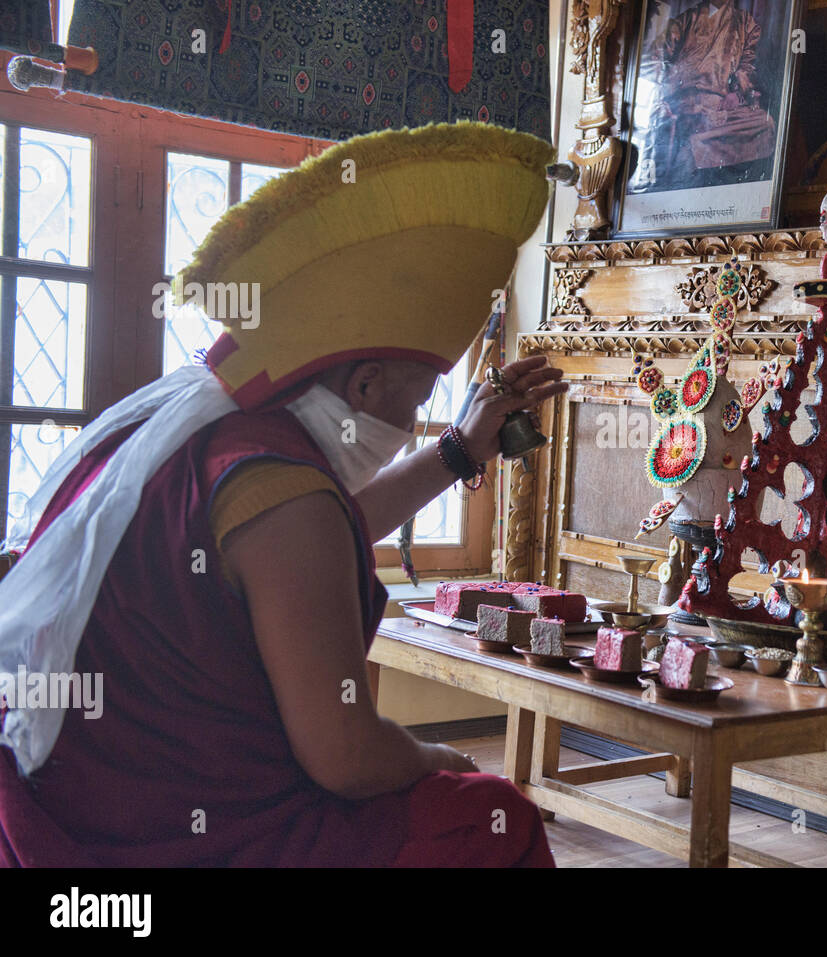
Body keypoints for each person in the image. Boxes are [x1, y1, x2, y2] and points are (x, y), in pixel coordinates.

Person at [0, 121, 566, 867]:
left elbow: (317, 544)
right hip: (168, 835)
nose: (412, 418)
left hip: (65, 796)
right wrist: (438, 757)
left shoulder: (203, 425)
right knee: (490, 817)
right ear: (362, 383)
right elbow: (346, 756)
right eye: (419, 394)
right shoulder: (283, 492)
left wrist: (458, 451)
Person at [631, 0, 775, 191]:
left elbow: (746, 68)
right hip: (682, 100)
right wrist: (665, 93)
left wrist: (739, 93)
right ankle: (692, 154)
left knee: (766, 123)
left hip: (721, 104)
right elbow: (654, 62)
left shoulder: (745, 24)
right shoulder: (685, 20)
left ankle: (697, 152)